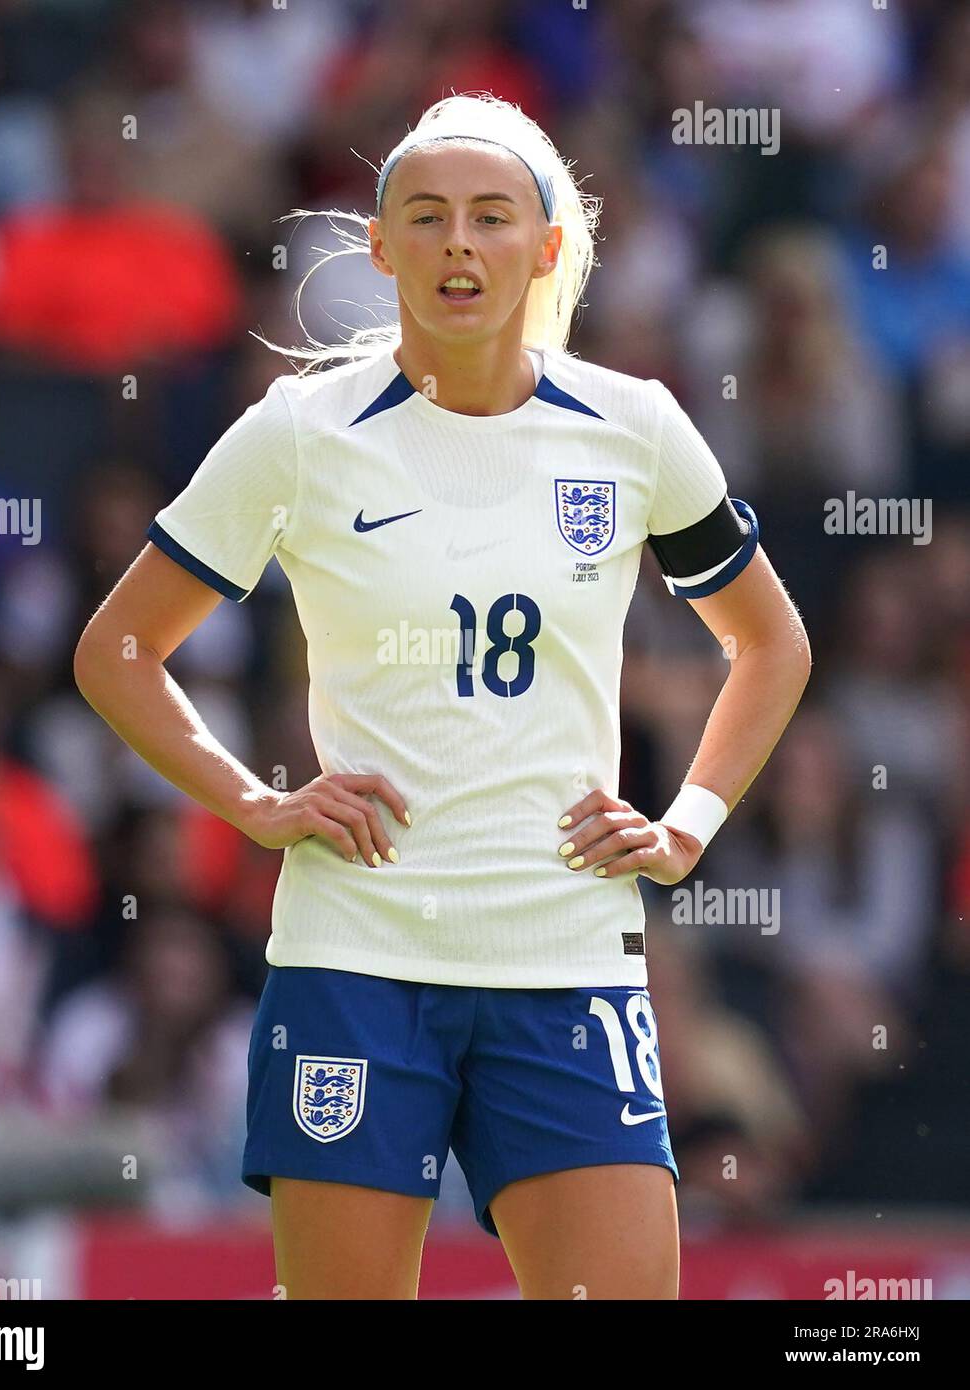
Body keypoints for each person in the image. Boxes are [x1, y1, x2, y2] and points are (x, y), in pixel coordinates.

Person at [73, 93, 811, 1300]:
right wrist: (258, 805)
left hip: (567, 957)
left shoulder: (635, 427)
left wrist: (688, 826)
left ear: (548, 245)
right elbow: (117, 650)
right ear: (379, 245)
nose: (459, 244)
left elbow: (771, 645)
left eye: (489, 217)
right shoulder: (302, 432)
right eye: (426, 217)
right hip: (357, 960)